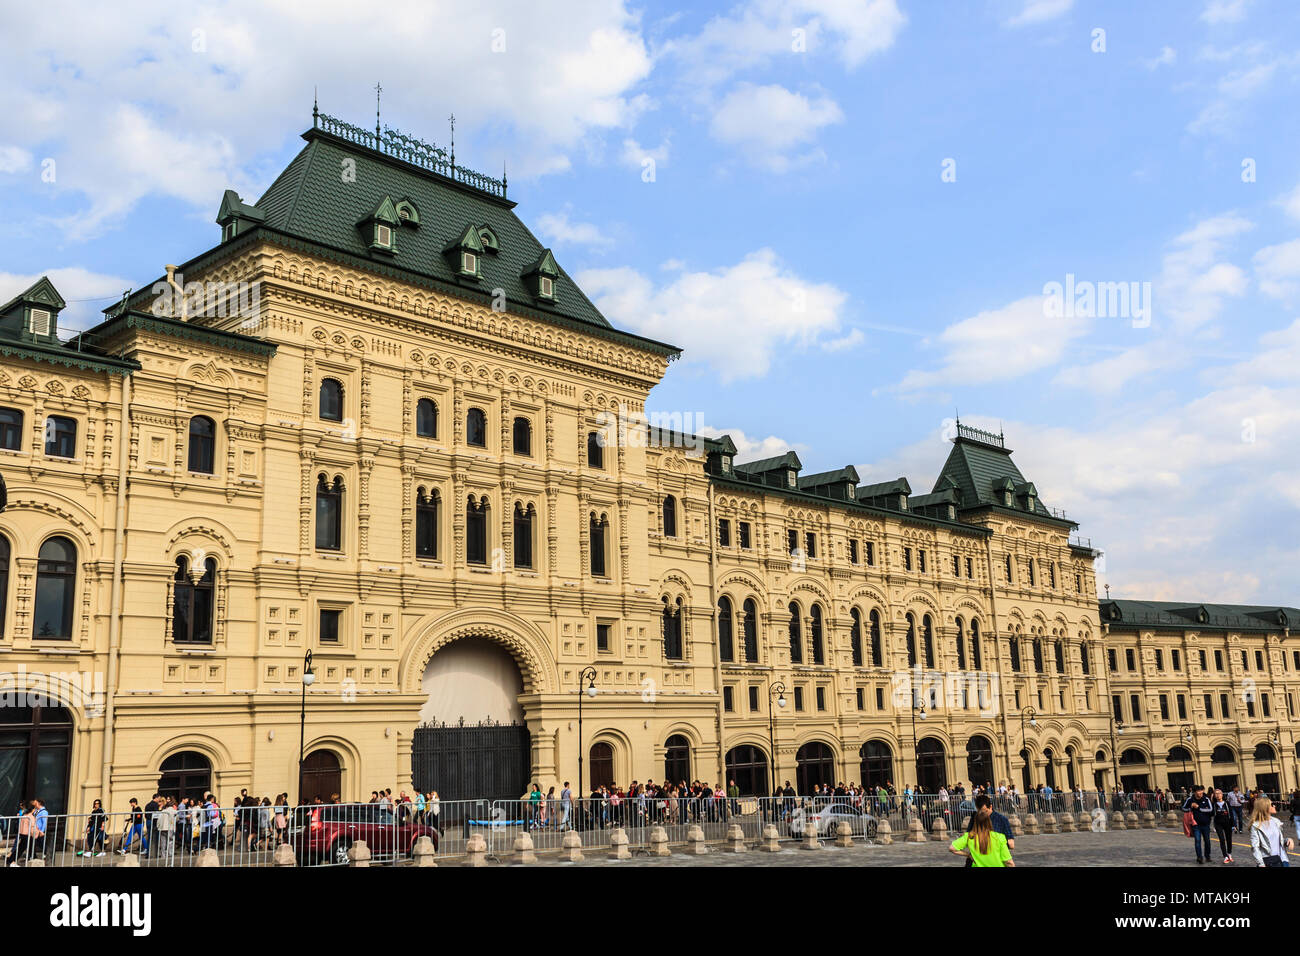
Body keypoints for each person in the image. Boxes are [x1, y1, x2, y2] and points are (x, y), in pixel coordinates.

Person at [949, 797, 1014, 867]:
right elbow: (1010, 847)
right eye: (979, 811)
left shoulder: (1001, 820)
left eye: (985, 811)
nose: (982, 813)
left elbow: (954, 847)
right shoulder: (1000, 837)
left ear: (991, 807)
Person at [1249, 796, 1294, 867]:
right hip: (1269, 862)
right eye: (1271, 805)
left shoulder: (1276, 821)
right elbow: (1255, 847)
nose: (1274, 806)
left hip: (1283, 860)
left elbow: (1278, 842)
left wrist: (1288, 840)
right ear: (1265, 807)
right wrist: (1261, 864)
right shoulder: (1255, 826)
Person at [1182, 785, 1215, 863]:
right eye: (1198, 791)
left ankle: (1207, 856)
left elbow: (1210, 809)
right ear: (1194, 792)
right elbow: (1183, 808)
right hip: (1195, 824)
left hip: (1206, 824)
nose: (1200, 792)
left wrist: (1198, 808)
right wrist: (1190, 807)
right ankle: (1199, 857)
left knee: (1207, 841)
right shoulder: (1190, 799)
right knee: (1197, 840)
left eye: (1201, 791)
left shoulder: (1206, 799)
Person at [1210, 788, 1234, 863]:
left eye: (1219, 793)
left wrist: (1233, 825)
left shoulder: (1226, 803)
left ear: (1222, 794)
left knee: (1229, 839)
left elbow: (1231, 814)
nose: (1217, 795)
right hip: (1218, 824)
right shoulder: (1214, 805)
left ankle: (1229, 854)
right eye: (1215, 794)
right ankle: (1225, 856)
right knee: (1222, 840)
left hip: (1227, 823)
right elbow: (1211, 814)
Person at [155, 796, 176, 863]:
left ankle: (163, 855)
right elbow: (177, 819)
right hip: (170, 827)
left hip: (163, 828)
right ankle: (170, 854)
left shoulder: (163, 811)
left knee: (163, 842)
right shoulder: (174, 811)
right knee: (170, 841)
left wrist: (158, 827)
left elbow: (159, 820)